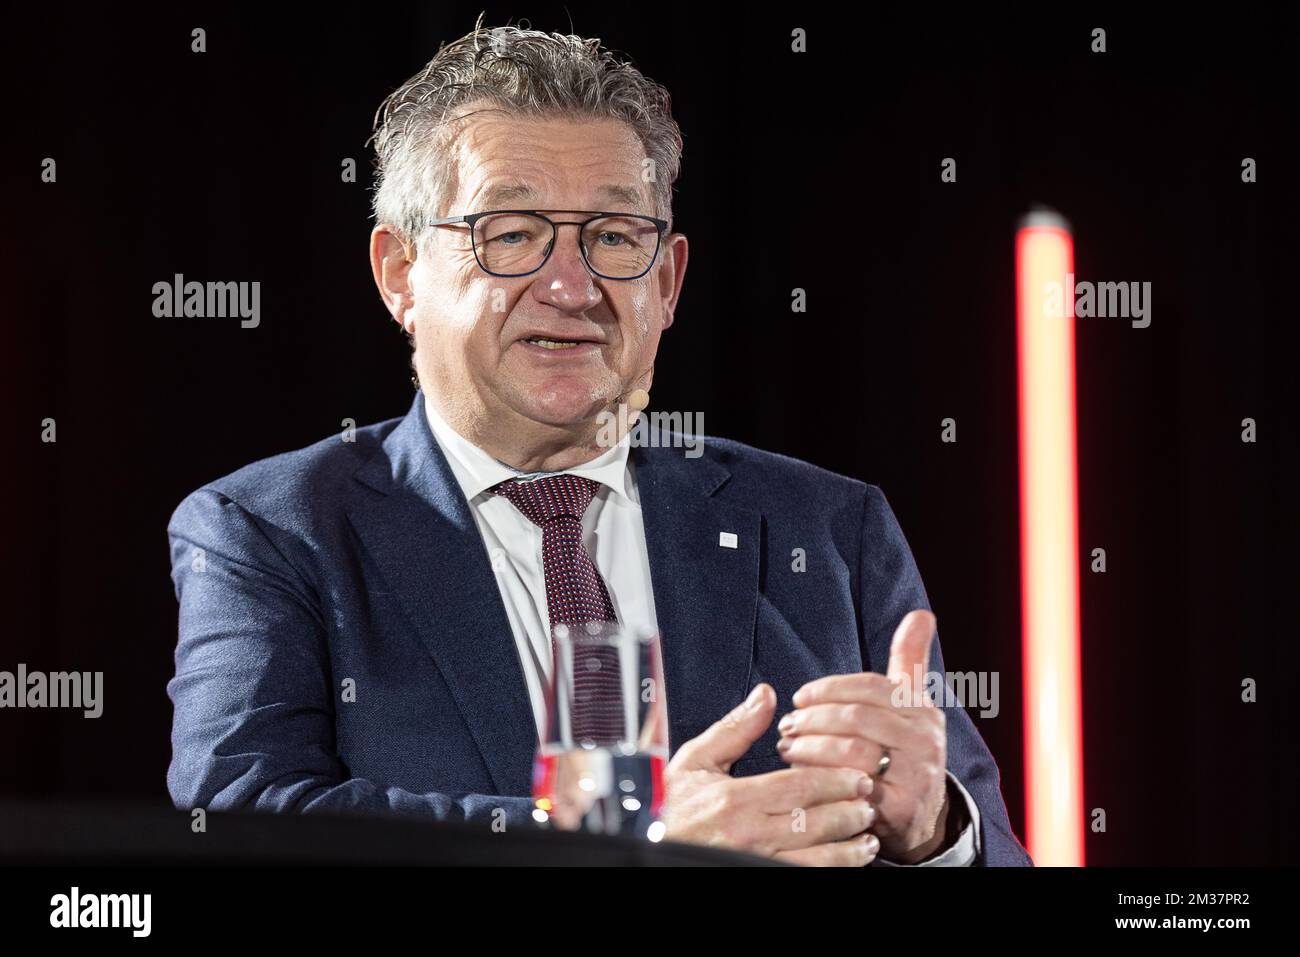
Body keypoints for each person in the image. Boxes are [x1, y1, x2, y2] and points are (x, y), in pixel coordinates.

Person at [166, 20, 1031, 867]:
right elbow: (247, 822)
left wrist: (935, 835)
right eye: (510, 235)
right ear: (400, 273)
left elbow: (994, 851)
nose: (572, 285)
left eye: (614, 238)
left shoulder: (831, 526)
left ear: (667, 280)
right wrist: (639, 835)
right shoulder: (269, 532)